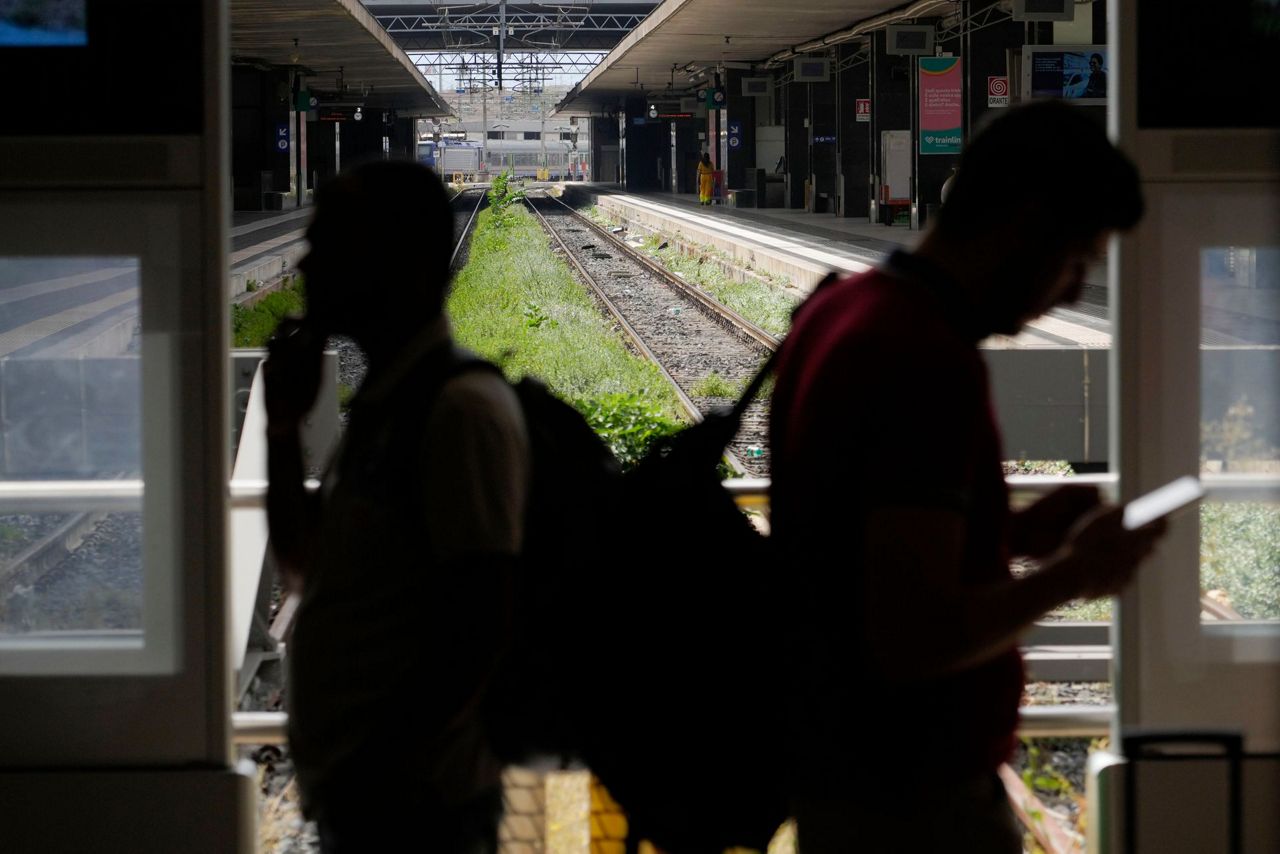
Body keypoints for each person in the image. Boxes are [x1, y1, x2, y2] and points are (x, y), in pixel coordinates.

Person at [769, 101, 1163, 852]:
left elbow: (855, 541)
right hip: (912, 805)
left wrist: (1010, 532)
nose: (1076, 294)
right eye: (1077, 261)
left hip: (846, 781)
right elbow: (910, 637)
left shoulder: (842, 308)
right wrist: (1078, 573)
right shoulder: (923, 361)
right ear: (1026, 225)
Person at [264, 160, 530, 853]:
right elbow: (303, 568)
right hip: (374, 805)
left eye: (327, 243)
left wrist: (377, 766)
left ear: (389, 262)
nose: (305, 261)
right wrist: (283, 430)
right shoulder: (389, 407)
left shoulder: (460, 411)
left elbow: (480, 628)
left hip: (420, 813)